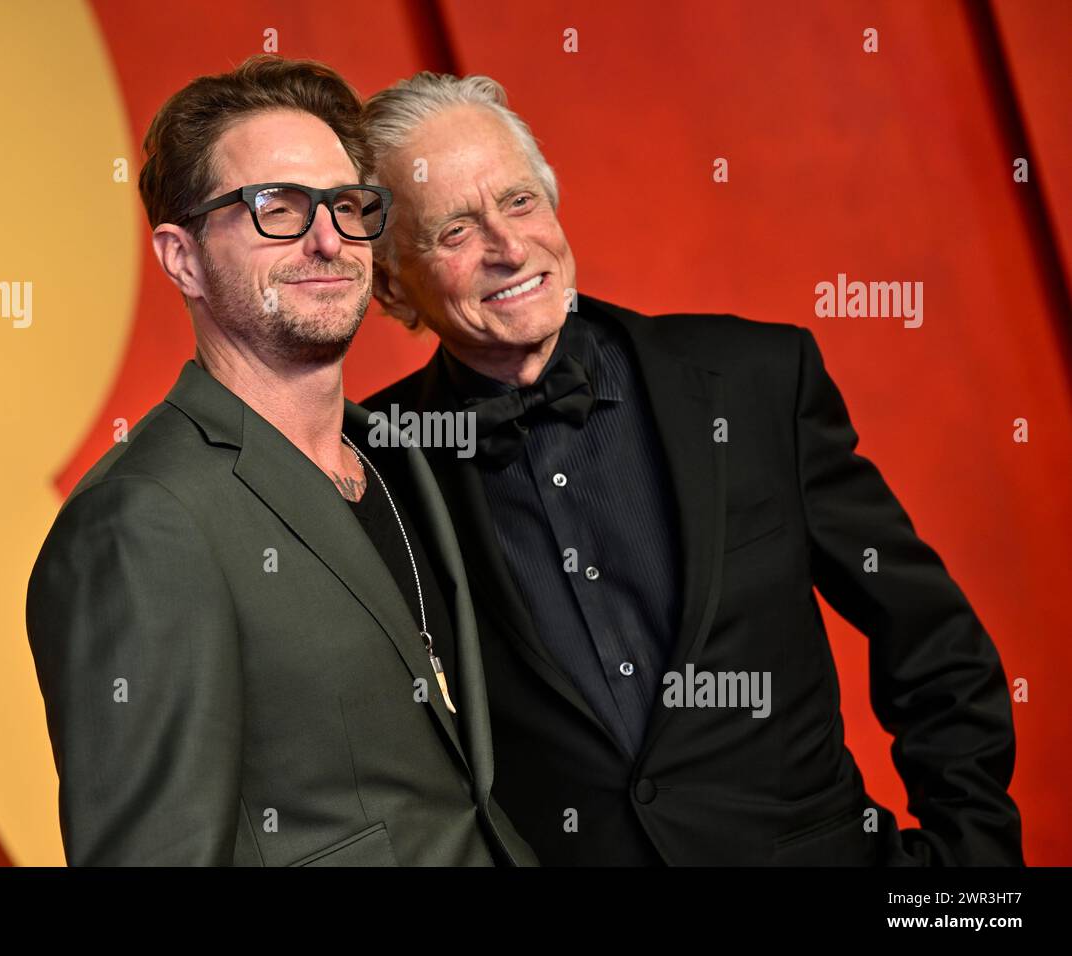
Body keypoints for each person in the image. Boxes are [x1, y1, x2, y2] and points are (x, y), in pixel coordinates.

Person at [362, 70, 1022, 866]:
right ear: (393, 279)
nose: (509, 249)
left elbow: (932, 636)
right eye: (456, 231)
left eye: (520, 201)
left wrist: (970, 879)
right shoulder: (375, 466)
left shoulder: (754, 382)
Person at [25, 56, 536, 866]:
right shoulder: (141, 521)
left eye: (345, 205)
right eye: (277, 208)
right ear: (181, 258)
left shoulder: (401, 460)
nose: (328, 239)